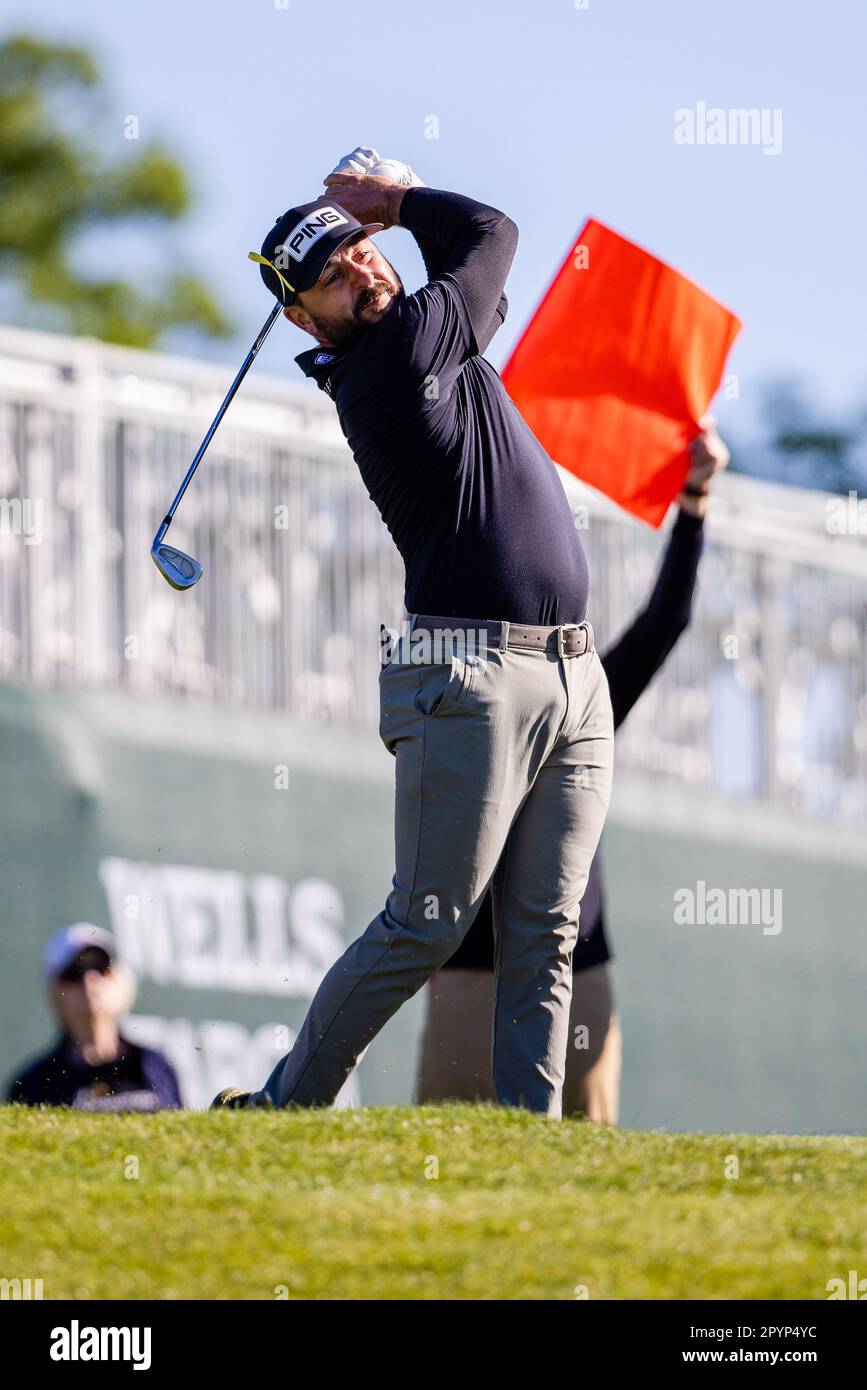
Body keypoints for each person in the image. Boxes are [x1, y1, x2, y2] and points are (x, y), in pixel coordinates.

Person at [214, 156, 614, 1117]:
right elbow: (492, 236)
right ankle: (284, 1109)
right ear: (303, 320)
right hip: (465, 675)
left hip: (572, 674)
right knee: (424, 923)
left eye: (362, 251)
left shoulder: (431, 343)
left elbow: (476, 280)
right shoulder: (390, 368)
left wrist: (390, 219)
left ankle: (531, 1140)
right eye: (335, 276)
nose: (364, 272)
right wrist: (392, 200)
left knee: (544, 929)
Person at [417, 423, 731, 1122]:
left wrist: (693, 499)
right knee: (444, 1162)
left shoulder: (583, 698)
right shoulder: (452, 687)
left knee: (579, 1163)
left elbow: (665, 620)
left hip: (572, 968)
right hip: (468, 964)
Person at [6, 923, 182, 1111]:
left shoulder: (154, 1064)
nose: (90, 982)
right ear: (55, 991)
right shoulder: (34, 1084)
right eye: (75, 973)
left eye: (101, 967)